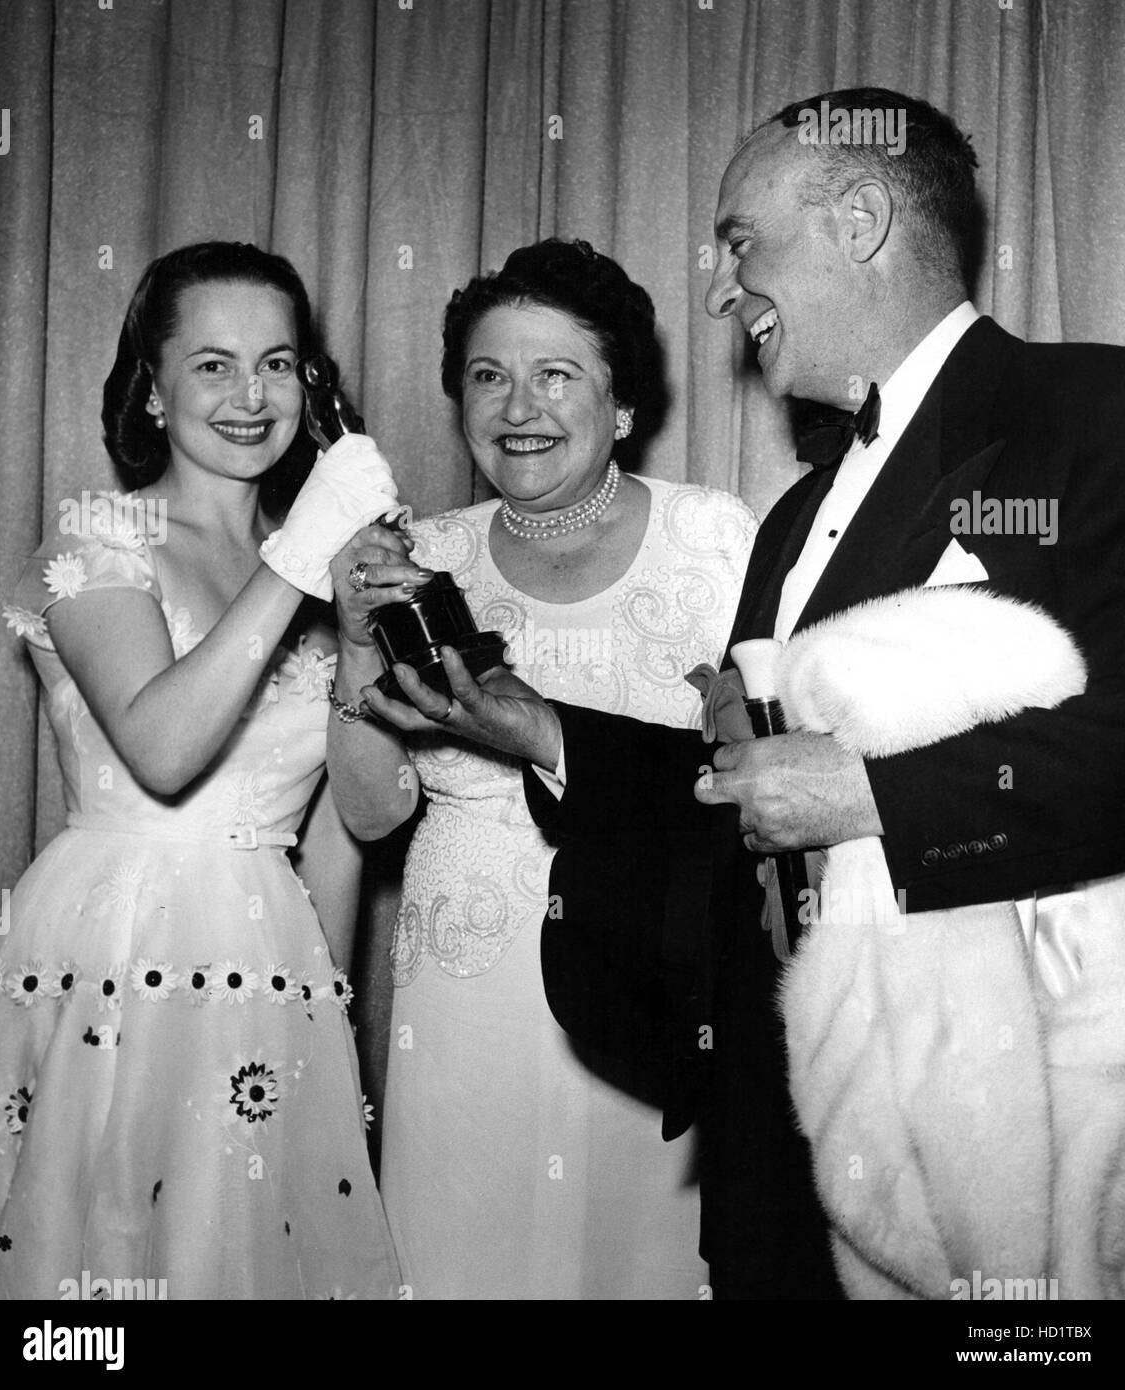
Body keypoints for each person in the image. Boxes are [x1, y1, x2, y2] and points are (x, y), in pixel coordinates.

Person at [366, 90, 1125, 1299]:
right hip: (784, 1157)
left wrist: (877, 793)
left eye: (741, 241)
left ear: (861, 217)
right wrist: (539, 730)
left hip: (1014, 1171)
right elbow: (742, 806)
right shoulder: (789, 524)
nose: (722, 289)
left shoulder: (1102, 413)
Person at [0, 241, 421, 1299]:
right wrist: (300, 553)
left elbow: (353, 824)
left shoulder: (312, 578)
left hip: (268, 963)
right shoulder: (99, 537)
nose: (251, 392)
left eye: (278, 362)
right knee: (103, 1255)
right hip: (113, 949)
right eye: (212, 364)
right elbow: (163, 750)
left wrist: (330, 1007)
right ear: (154, 387)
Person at [330, 238, 756, 1299]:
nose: (518, 405)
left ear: (620, 405)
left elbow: (756, 777)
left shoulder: (716, 537)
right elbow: (372, 812)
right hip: (466, 998)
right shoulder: (424, 556)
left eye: (556, 373)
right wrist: (349, 638)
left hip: (653, 979)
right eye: (488, 375)